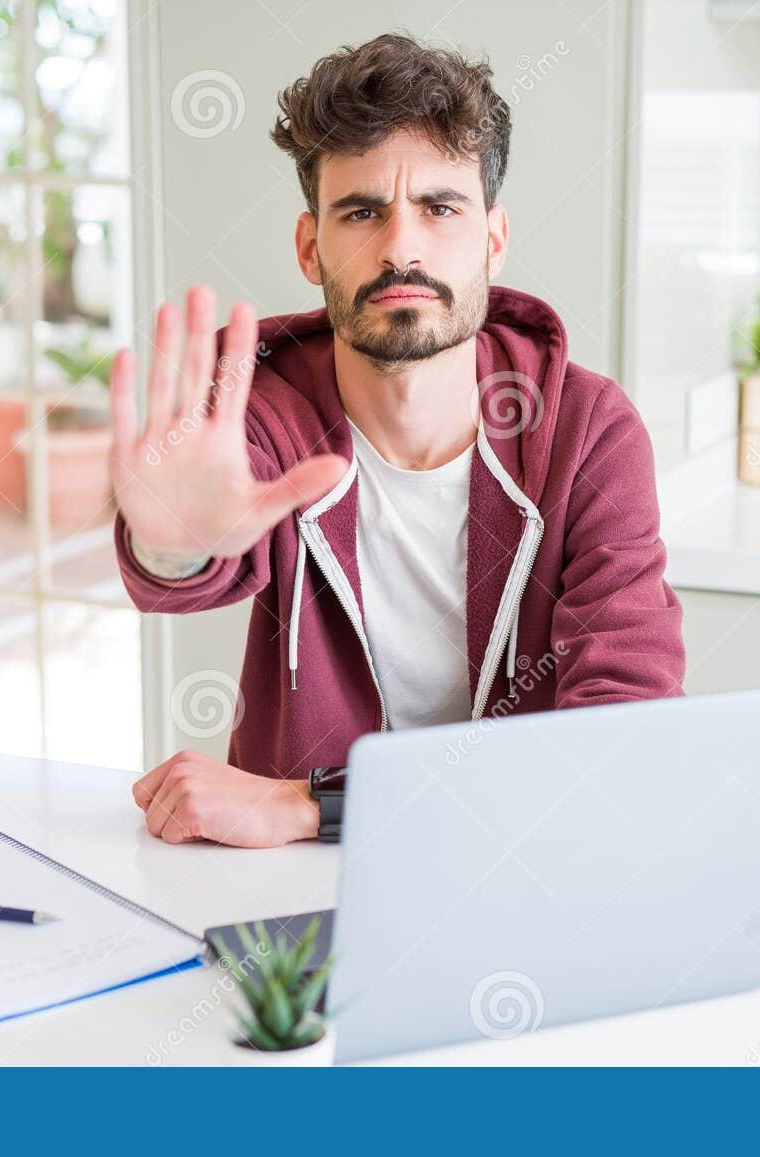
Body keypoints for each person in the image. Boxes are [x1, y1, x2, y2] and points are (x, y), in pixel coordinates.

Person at [110, 32, 685, 848]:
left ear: (493, 236)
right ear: (312, 247)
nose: (402, 246)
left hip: (528, 857)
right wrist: (172, 549)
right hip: (302, 887)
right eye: (362, 211)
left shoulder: (587, 432)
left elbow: (626, 731)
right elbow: (196, 559)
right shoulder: (264, 415)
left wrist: (314, 807)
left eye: (441, 208)